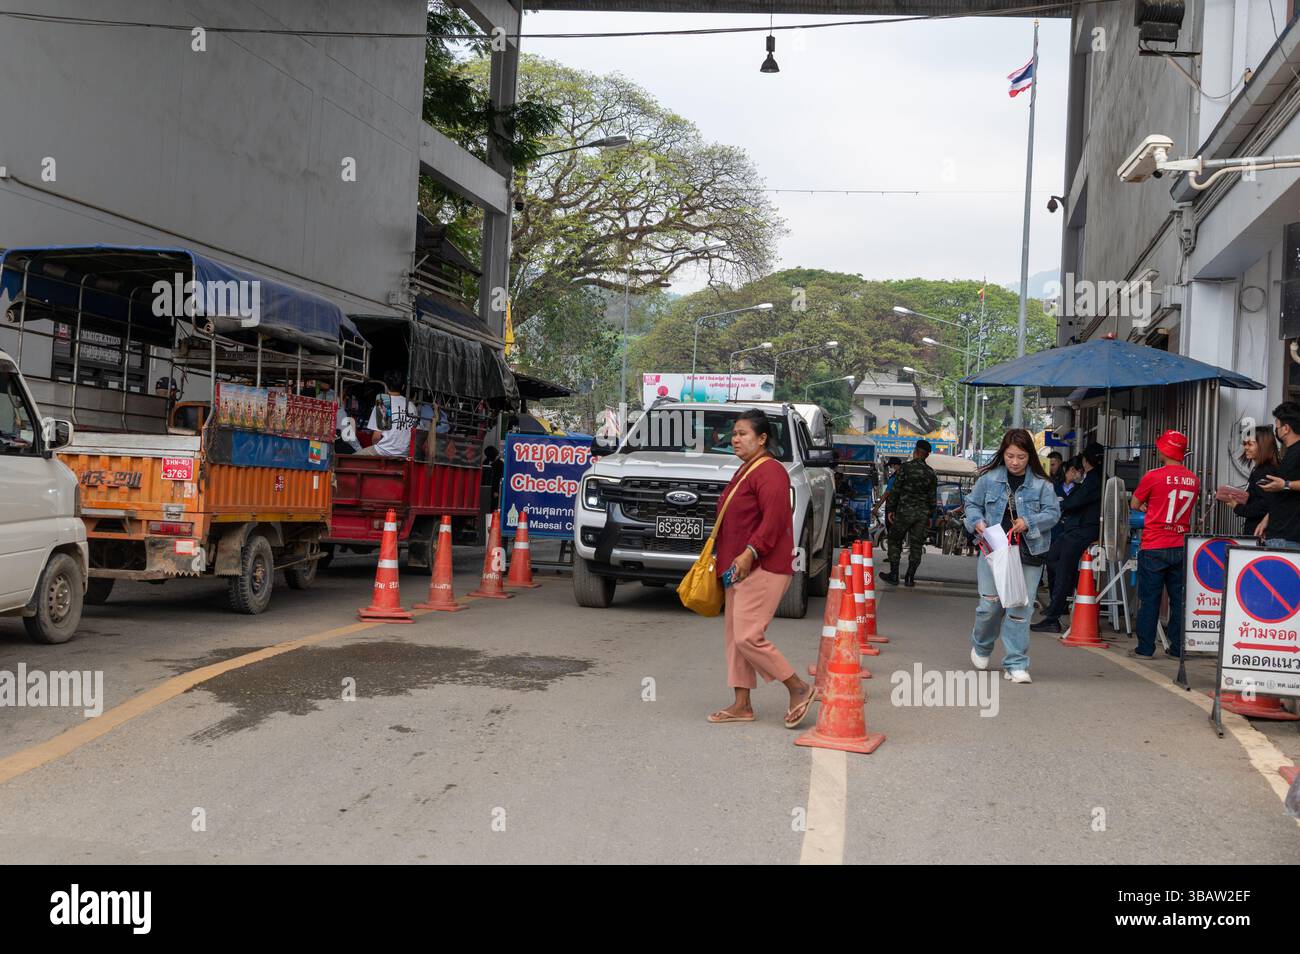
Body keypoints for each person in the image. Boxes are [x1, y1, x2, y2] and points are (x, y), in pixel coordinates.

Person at [707, 409, 817, 728]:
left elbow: (775, 521)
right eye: (734, 434)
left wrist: (748, 553)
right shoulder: (746, 469)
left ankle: (798, 687)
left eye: (742, 433)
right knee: (735, 638)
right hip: (738, 567)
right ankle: (741, 704)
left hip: (763, 565)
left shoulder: (771, 472)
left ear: (762, 438)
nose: (735, 439)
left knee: (748, 637)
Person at [964, 428, 1061, 684]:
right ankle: (982, 645)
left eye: (1021, 456)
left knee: (1020, 609)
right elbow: (971, 504)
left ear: (1030, 456)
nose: (1015, 462)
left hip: (1029, 553)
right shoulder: (988, 479)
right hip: (993, 551)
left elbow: (1053, 513)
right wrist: (977, 522)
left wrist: (1029, 521)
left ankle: (1016, 664)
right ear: (1002, 454)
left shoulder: (1043, 485)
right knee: (990, 605)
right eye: (1010, 456)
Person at [1129, 429, 1200, 658]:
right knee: (1179, 600)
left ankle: (1145, 648)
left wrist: (1150, 510)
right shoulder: (1193, 479)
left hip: (1154, 544)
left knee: (1150, 599)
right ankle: (1177, 648)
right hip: (1181, 544)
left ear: (1163, 449)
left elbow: (1135, 503)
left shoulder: (1153, 475)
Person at [1031, 441, 1105, 634]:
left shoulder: (1095, 479)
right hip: (1074, 530)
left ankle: (1054, 616)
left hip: (1083, 531)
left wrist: (1062, 504)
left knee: (1064, 567)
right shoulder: (1092, 478)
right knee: (1052, 557)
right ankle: (1061, 600)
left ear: (1086, 460)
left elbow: (1075, 502)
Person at [879, 440, 938, 587]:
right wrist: (930, 515)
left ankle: (894, 574)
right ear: (927, 455)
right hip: (921, 515)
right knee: (917, 545)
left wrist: (891, 510)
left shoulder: (905, 468)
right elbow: (932, 498)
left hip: (904, 512)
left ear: (916, 451)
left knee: (894, 540)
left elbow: (895, 491)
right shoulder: (931, 473)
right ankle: (910, 577)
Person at [1216, 425, 1280, 537]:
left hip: (1260, 533)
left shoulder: (1264, 470)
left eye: (1250, 444)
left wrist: (1238, 507)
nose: (1245, 447)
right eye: (1245, 444)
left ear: (1263, 445)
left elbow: (1267, 505)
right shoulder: (1263, 468)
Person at [1257, 401, 1300, 549]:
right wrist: (1267, 519)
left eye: (1277, 425)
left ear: (1286, 428)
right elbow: (1284, 497)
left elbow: (1286, 487)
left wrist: (1285, 485)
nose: (1276, 430)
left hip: (1289, 536)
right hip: (1279, 533)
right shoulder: (1289, 453)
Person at [356, 371, 417, 457]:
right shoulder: (411, 406)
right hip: (404, 453)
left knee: (350, 458)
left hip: (384, 451)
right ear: (403, 387)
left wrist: (376, 447)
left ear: (386, 386)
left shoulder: (383, 402)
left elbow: (376, 437)